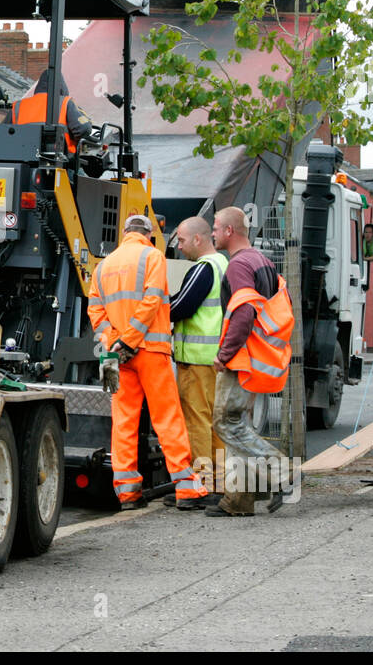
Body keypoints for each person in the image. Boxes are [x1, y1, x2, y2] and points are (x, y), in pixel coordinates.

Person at [88, 213, 208, 511]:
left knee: (124, 422)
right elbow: (152, 299)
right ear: (149, 234)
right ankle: (186, 489)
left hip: (115, 355)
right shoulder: (153, 257)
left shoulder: (103, 266)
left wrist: (114, 342)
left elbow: (96, 313)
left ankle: (128, 493)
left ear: (124, 233)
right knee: (166, 417)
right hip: (150, 348)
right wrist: (130, 339)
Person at [208, 206, 288, 517]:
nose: (213, 233)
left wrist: (224, 354)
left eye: (215, 228)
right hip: (255, 356)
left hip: (240, 359)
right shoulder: (262, 261)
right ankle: (238, 501)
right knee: (238, 426)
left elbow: (243, 313)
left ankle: (283, 471)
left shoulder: (238, 266)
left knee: (226, 424)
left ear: (229, 231)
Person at [169, 216, 229, 494]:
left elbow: (182, 306)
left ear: (198, 239)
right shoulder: (223, 265)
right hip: (215, 358)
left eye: (181, 240)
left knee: (197, 423)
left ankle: (201, 486)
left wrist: (154, 309)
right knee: (215, 425)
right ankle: (218, 485)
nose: (179, 247)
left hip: (196, 360)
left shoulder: (203, 268)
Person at [10, 70, 95, 154]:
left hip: (22, 156)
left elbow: (3, 133)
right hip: (60, 159)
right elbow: (84, 128)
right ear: (61, 85)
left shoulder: (19, 105)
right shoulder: (64, 102)